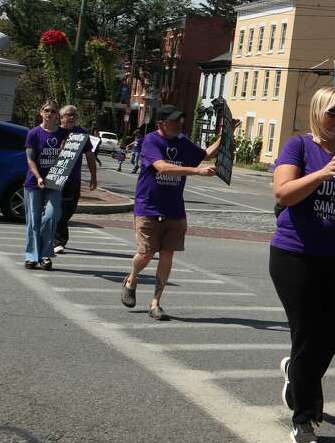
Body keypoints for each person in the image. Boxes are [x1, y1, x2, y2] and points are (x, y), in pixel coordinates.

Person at [269, 87, 335, 443]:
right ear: (318, 112)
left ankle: (297, 372)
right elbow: (283, 193)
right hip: (296, 255)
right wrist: (321, 174)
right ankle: (303, 417)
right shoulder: (299, 147)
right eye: (333, 112)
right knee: (307, 333)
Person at [120, 105, 226, 320]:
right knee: (145, 254)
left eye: (180, 120)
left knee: (167, 254)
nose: (179, 124)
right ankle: (132, 278)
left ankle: (155, 303)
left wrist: (224, 137)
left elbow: (204, 155)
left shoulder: (183, 142)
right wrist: (196, 171)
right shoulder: (151, 141)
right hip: (148, 206)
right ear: (161, 123)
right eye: (174, 121)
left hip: (174, 209)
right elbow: (162, 167)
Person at [23, 100, 67, 270]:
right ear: (41, 112)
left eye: (53, 111)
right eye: (47, 110)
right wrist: (39, 177)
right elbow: (30, 159)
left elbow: (69, 155)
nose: (50, 113)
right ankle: (32, 256)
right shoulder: (34, 133)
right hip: (34, 182)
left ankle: (44, 253)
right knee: (33, 221)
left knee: (50, 216)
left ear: (58, 115)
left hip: (54, 183)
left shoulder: (63, 134)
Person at [53, 104, 98, 255]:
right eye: (68, 115)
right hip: (56, 176)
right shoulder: (55, 132)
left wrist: (93, 177)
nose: (71, 118)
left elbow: (90, 155)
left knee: (68, 210)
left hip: (73, 179)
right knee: (55, 210)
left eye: (74, 115)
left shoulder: (81, 133)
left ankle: (56, 237)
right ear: (61, 117)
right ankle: (58, 241)